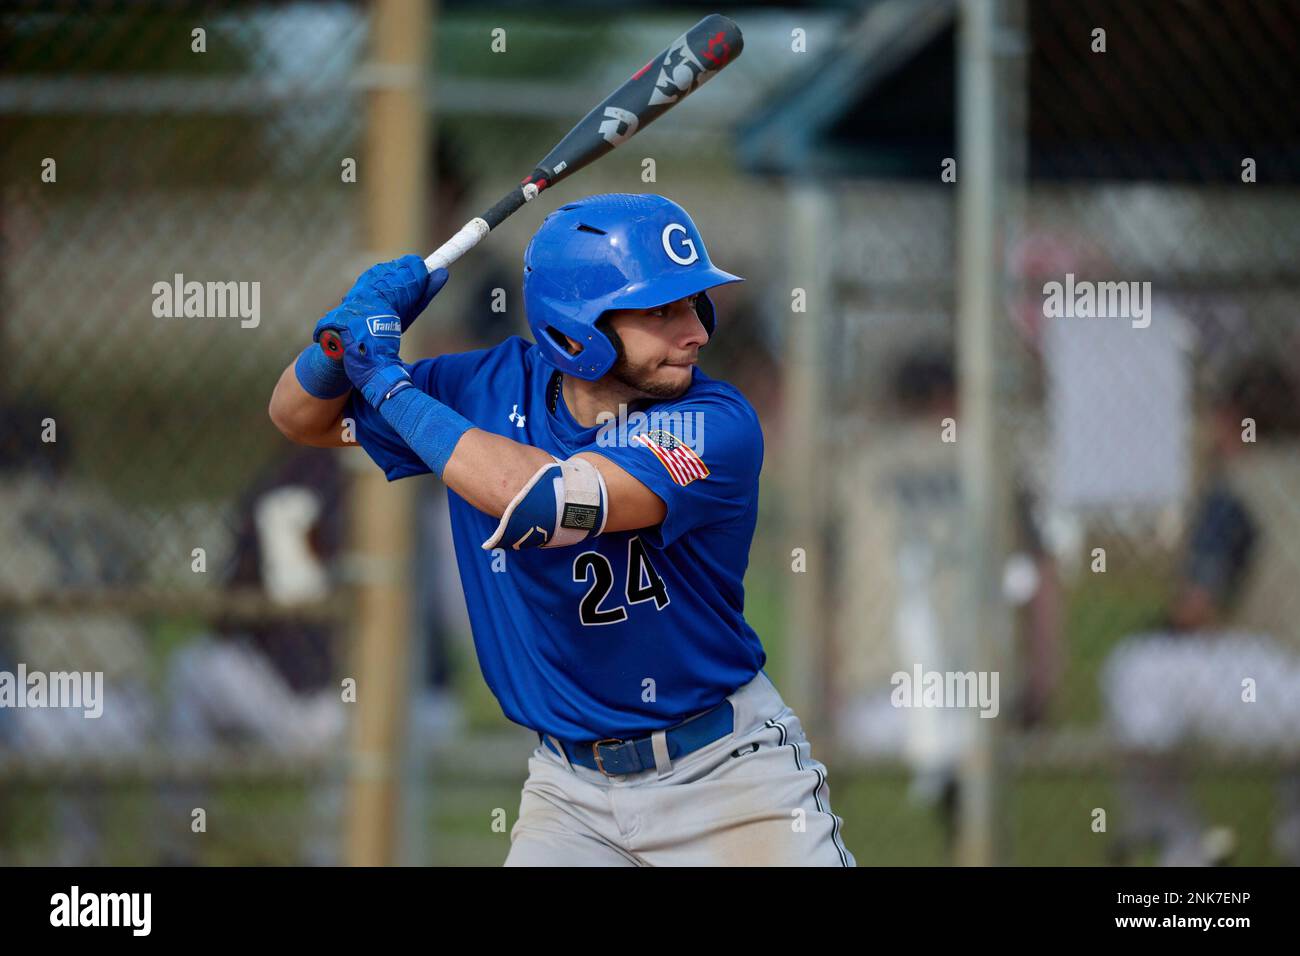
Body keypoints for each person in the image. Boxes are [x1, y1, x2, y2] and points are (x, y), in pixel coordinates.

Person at [268, 192, 853, 866]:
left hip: (724, 776)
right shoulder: (485, 388)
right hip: (569, 796)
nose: (695, 332)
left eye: (695, 304)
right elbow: (298, 417)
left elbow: (542, 504)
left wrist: (392, 386)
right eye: (662, 311)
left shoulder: (715, 424)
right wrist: (335, 346)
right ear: (577, 329)